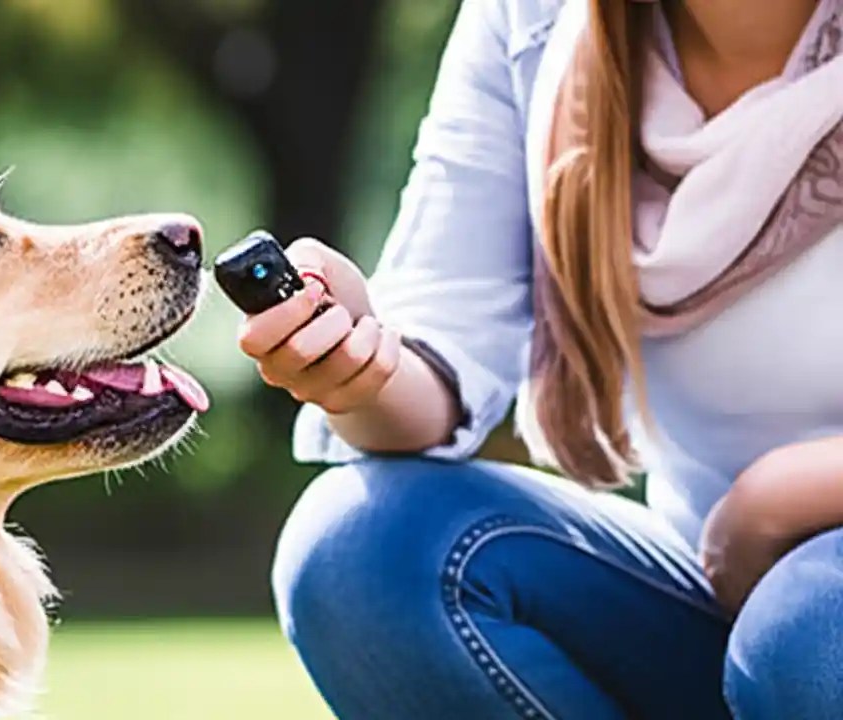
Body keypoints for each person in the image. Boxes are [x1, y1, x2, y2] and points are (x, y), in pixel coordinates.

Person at [237, 0, 843, 717]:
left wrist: (776, 500)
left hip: (792, 620)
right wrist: (356, 367)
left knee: (809, 635)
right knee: (361, 553)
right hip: (719, 596)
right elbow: (441, 354)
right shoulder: (535, 21)